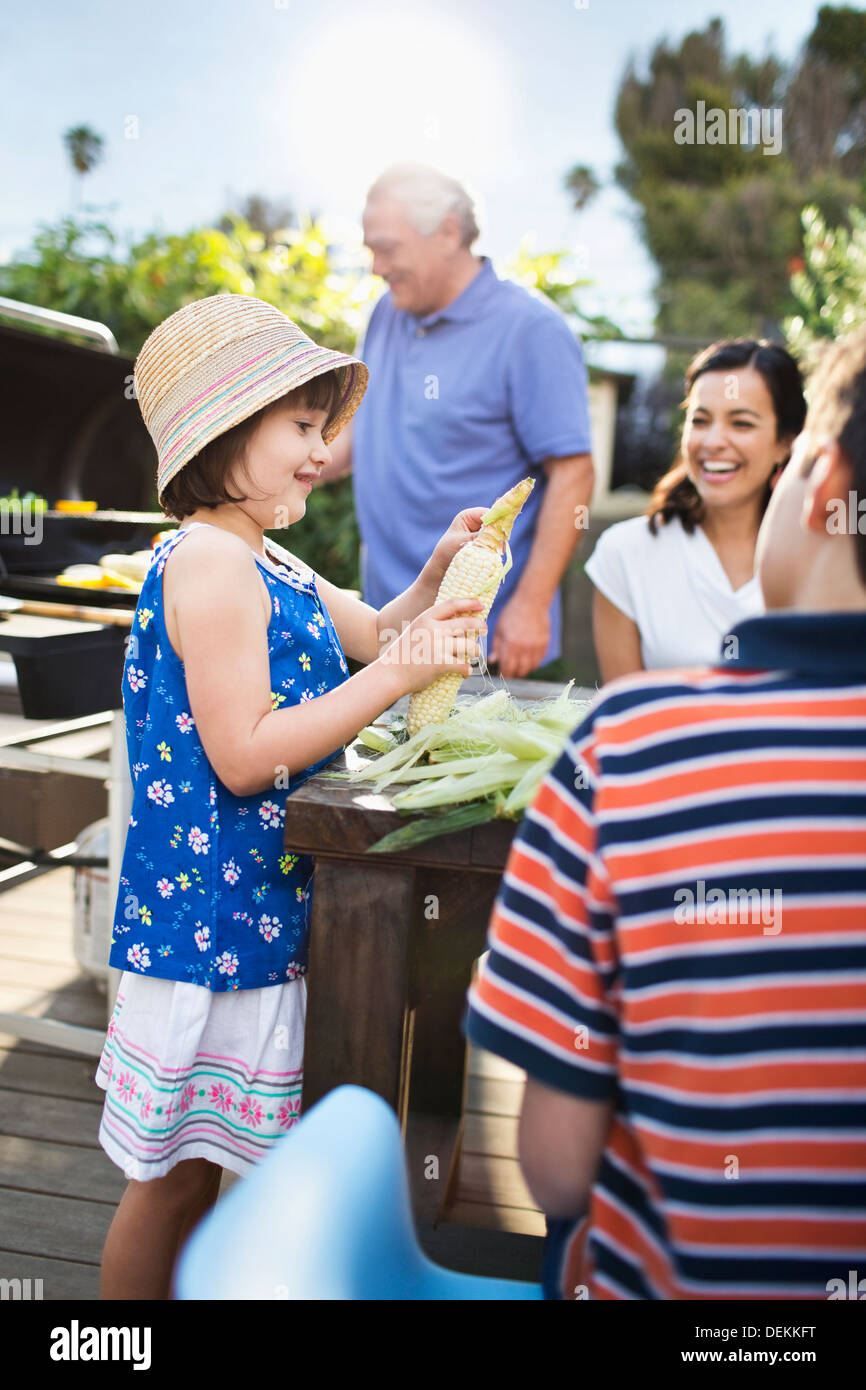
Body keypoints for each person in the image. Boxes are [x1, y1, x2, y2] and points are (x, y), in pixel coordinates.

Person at [94, 293, 490, 1299]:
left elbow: (372, 631)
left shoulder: (266, 553)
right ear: (223, 430)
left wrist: (436, 578)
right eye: (301, 426)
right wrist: (398, 679)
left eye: (322, 426)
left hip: (256, 923)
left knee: (214, 1180)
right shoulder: (212, 564)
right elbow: (244, 755)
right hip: (206, 935)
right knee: (172, 1185)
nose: (323, 450)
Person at [462, 325, 866, 1300]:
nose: (714, 440)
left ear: (815, 478)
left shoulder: (628, 749)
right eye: (700, 417)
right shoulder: (631, 554)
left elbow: (556, 1169)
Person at [317, 162, 595, 679]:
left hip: (481, 636)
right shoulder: (386, 313)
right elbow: (356, 435)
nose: (376, 266)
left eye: (387, 247)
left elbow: (574, 472)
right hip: (388, 626)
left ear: (447, 232)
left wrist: (532, 604)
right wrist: (254, 465)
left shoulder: (530, 330)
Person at [585, 339, 806, 683]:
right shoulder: (624, 554)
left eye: (741, 423)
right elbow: (624, 714)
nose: (713, 441)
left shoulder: (822, 560)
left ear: (785, 443)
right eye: (700, 420)